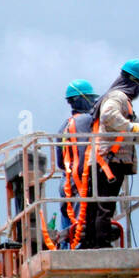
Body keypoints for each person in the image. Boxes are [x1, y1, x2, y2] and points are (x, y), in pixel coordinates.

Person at [85, 59, 139, 248]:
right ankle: (100, 245)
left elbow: (133, 123)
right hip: (109, 161)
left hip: (108, 160)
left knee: (99, 205)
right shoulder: (117, 97)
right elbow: (110, 117)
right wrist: (135, 126)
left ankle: (92, 242)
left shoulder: (121, 100)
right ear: (133, 83)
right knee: (104, 205)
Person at [55, 79, 99, 248]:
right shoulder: (88, 121)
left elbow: (60, 162)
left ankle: (66, 252)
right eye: (90, 98)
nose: (93, 102)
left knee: (68, 224)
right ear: (81, 99)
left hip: (66, 181)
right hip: (80, 181)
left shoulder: (64, 126)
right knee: (80, 225)